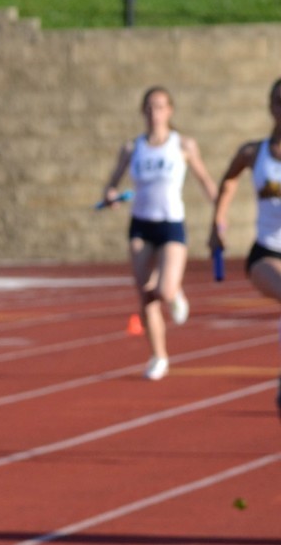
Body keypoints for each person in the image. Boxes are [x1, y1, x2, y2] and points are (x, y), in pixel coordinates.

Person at [99, 86, 217, 381]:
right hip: (141, 225)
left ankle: (174, 293)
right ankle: (159, 356)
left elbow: (204, 178)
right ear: (143, 111)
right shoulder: (132, 148)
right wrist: (111, 195)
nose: (155, 113)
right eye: (150, 107)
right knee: (145, 294)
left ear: (170, 111)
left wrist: (220, 213)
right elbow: (112, 183)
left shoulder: (183, 144)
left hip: (171, 224)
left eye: (160, 107)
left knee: (163, 290)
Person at [210, 76, 281, 413]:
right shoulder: (253, 153)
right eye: (279, 101)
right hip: (266, 253)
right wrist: (218, 223)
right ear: (270, 107)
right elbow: (228, 180)